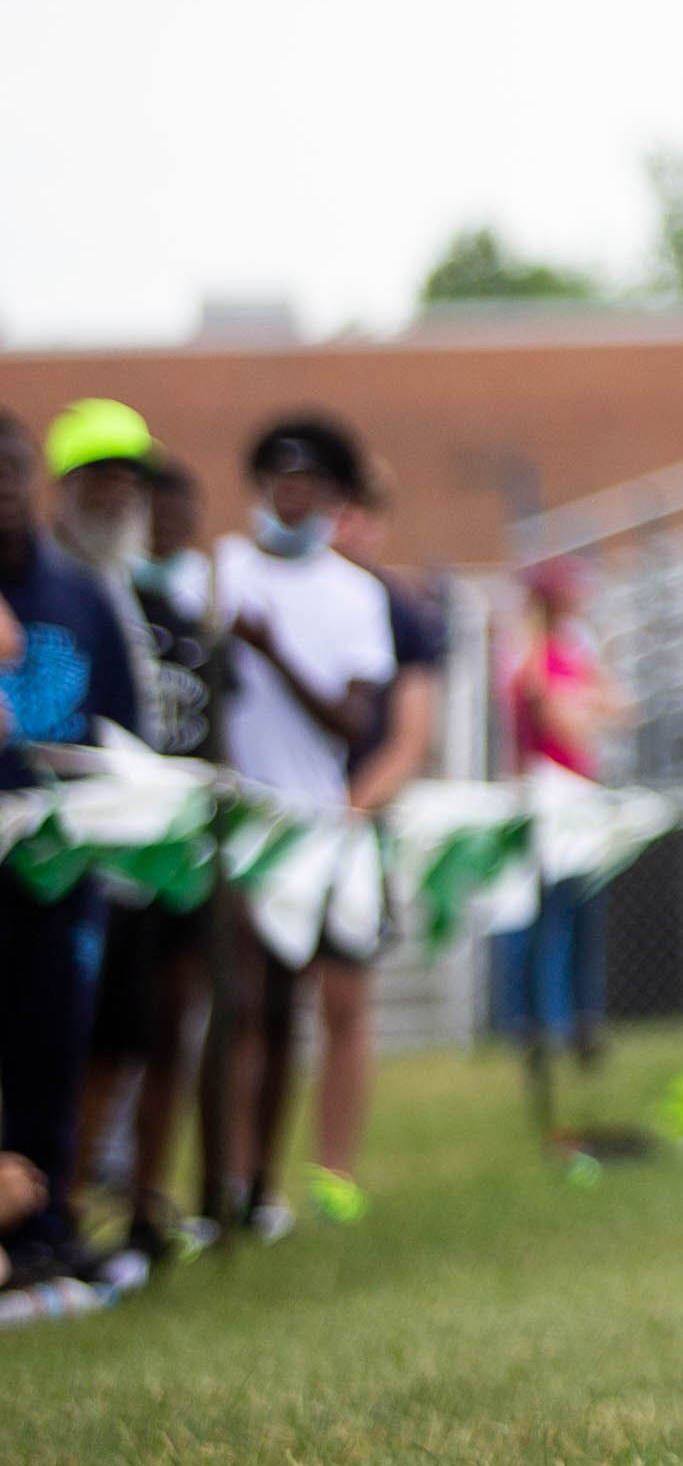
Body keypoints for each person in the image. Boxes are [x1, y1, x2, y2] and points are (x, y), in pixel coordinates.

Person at [205, 415, 410, 1240]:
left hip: (316, 825)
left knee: (298, 1006)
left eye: (310, 484)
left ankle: (275, 1181)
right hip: (234, 817)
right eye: (281, 481)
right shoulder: (219, 571)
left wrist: (272, 650)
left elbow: (352, 718)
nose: (293, 497)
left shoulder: (356, 595)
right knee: (242, 1004)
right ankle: (226, 1181)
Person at [49, 414, 216, 1271]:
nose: (118, 494)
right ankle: (47, 1217)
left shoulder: (144, 599)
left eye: (130, 479)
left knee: (125, 1036)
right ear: (62, 487)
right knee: (59, 1040)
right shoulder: (45, 586)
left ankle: (84, 1217)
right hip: (50, 852)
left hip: (134, 858)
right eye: (99, 477)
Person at [0, 407, 146, 1306]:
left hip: (61, 870)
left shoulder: (81, 596)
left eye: (12, 470)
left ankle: (46, 1229)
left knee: (54, 1046)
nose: (2, 489)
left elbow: (121, 734)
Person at [490, 557, 624, 1076]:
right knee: (550, 919)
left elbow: (619, 707)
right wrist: (586, 705)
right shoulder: (532, 657)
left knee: (580, 916)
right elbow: (564, 725)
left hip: (578, 797)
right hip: (548, 797)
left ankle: (580, 1024)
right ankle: (544, 1027)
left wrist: (583, 702)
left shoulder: (572, 651)